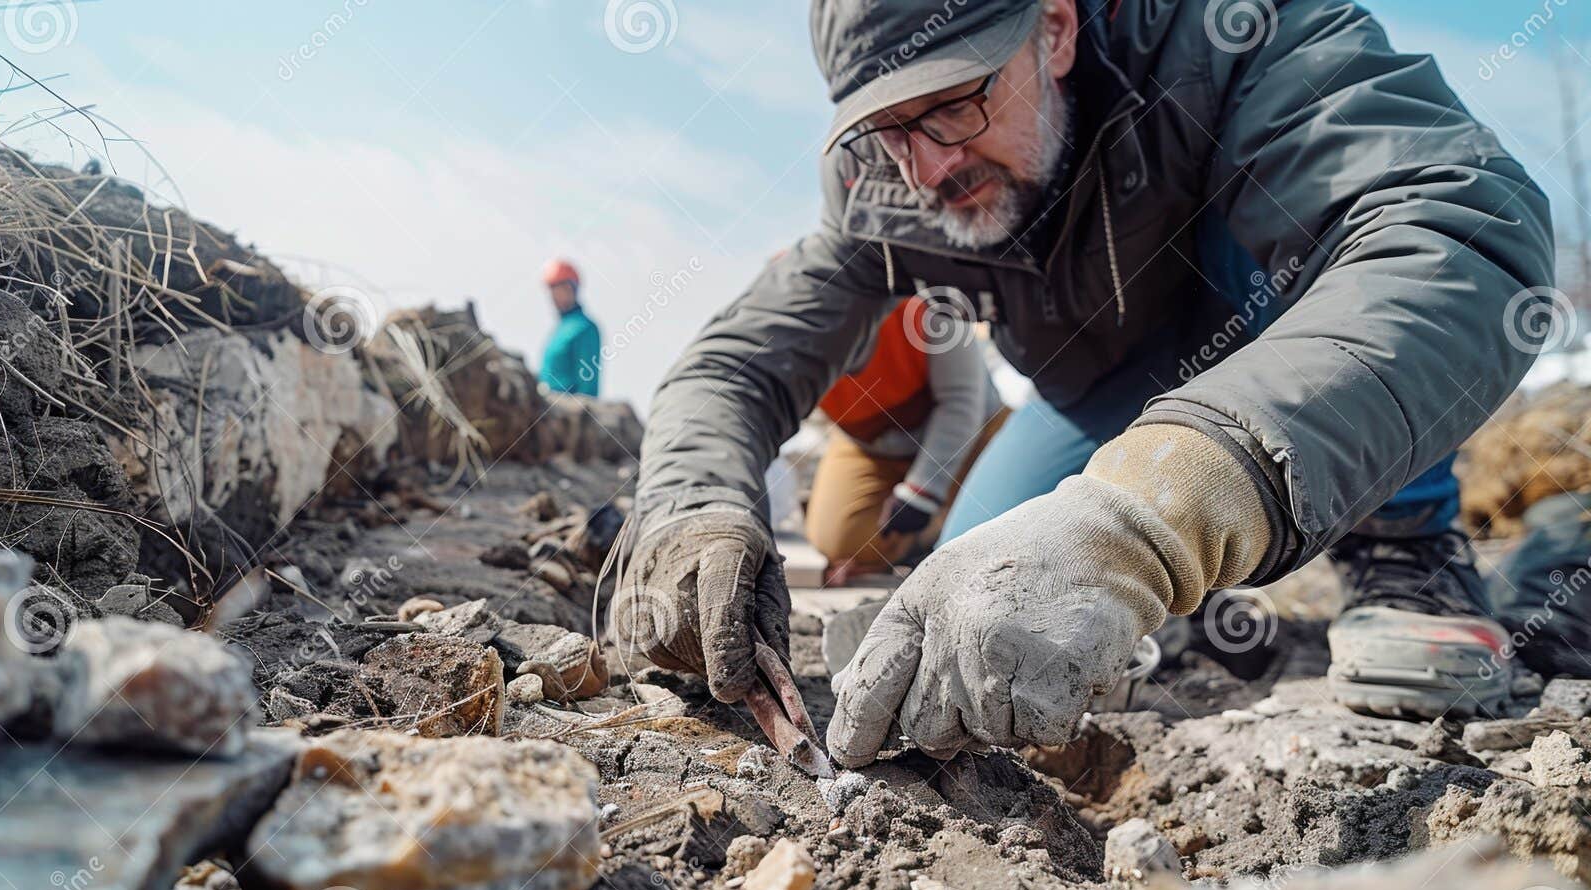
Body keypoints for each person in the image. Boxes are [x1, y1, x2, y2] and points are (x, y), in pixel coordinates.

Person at [619, 0, 1567, 768]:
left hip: (1270, 338)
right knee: (968, 599)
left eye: (955, 103)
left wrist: (1151, 517)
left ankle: (1407, 550)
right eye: (889, 128)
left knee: (1333, 282)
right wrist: (690, 510)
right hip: (1100, 395)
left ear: (1057, 27)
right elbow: (733, 361)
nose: (932, 167)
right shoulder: (885, 185)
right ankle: (1169, 605)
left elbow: (1456, 227)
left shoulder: (1228, 37)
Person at [805, 298, 1007, 583]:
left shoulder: (931, 300)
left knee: (1005, 518)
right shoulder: (789, 325)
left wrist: (921, 493)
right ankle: (927, 538)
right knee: (840, 541)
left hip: (974, 432)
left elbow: (960, 402)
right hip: (870, 447)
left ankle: (950, 523)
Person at [539, 259, 600, 396]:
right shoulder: (558, 331)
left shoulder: (584, 328)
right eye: (551, 290)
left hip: (567, 413)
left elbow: (587, 387)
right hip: (543, 408)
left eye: (557, 289)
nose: (553, 296)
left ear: (570, 289)